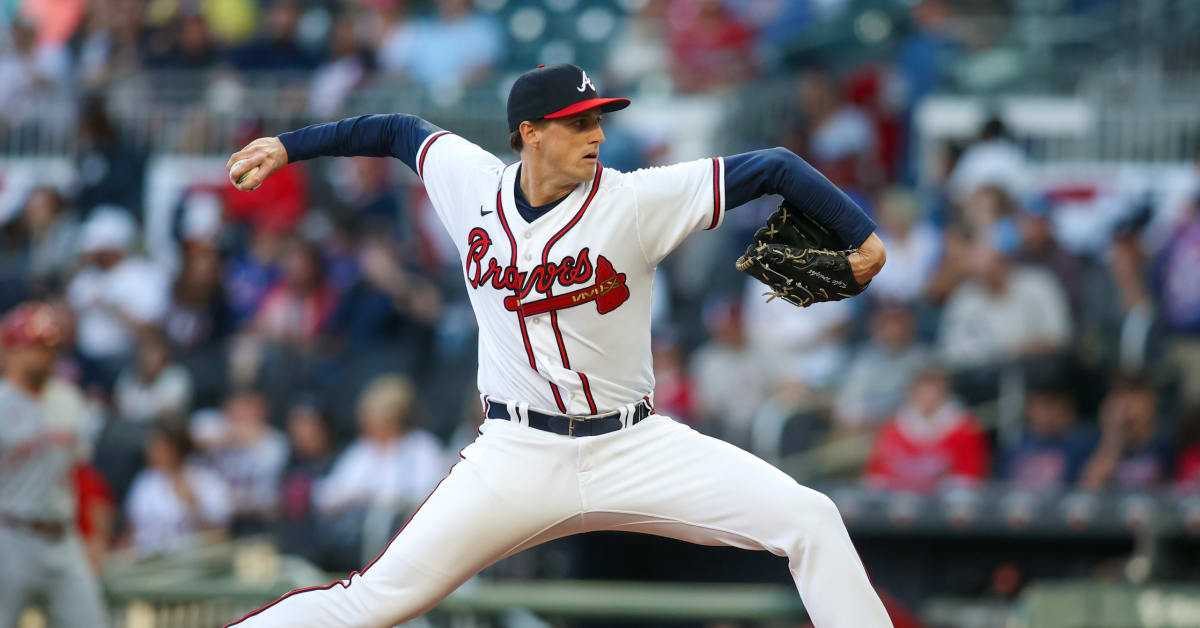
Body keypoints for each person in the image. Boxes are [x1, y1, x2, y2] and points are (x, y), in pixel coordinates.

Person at [224, 63, 891, 627]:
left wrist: (862, 239)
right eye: (578, 123)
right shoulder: (471, 184)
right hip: (517, 454)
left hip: (634, 446)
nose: (597, 134)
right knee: (371, 602)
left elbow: (773, 167)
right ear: (530, 133)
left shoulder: (635, 201)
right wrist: (287, 146)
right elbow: (396, 130)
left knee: (810, 518)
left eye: (598, 120)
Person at [0, 302, 108, 627]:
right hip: (10, 533)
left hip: (63, 536)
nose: (44, 356)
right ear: (10, 350)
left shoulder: (69, 399)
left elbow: (79, 474)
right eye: (33, 346)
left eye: (50, 347)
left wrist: (93, 535)